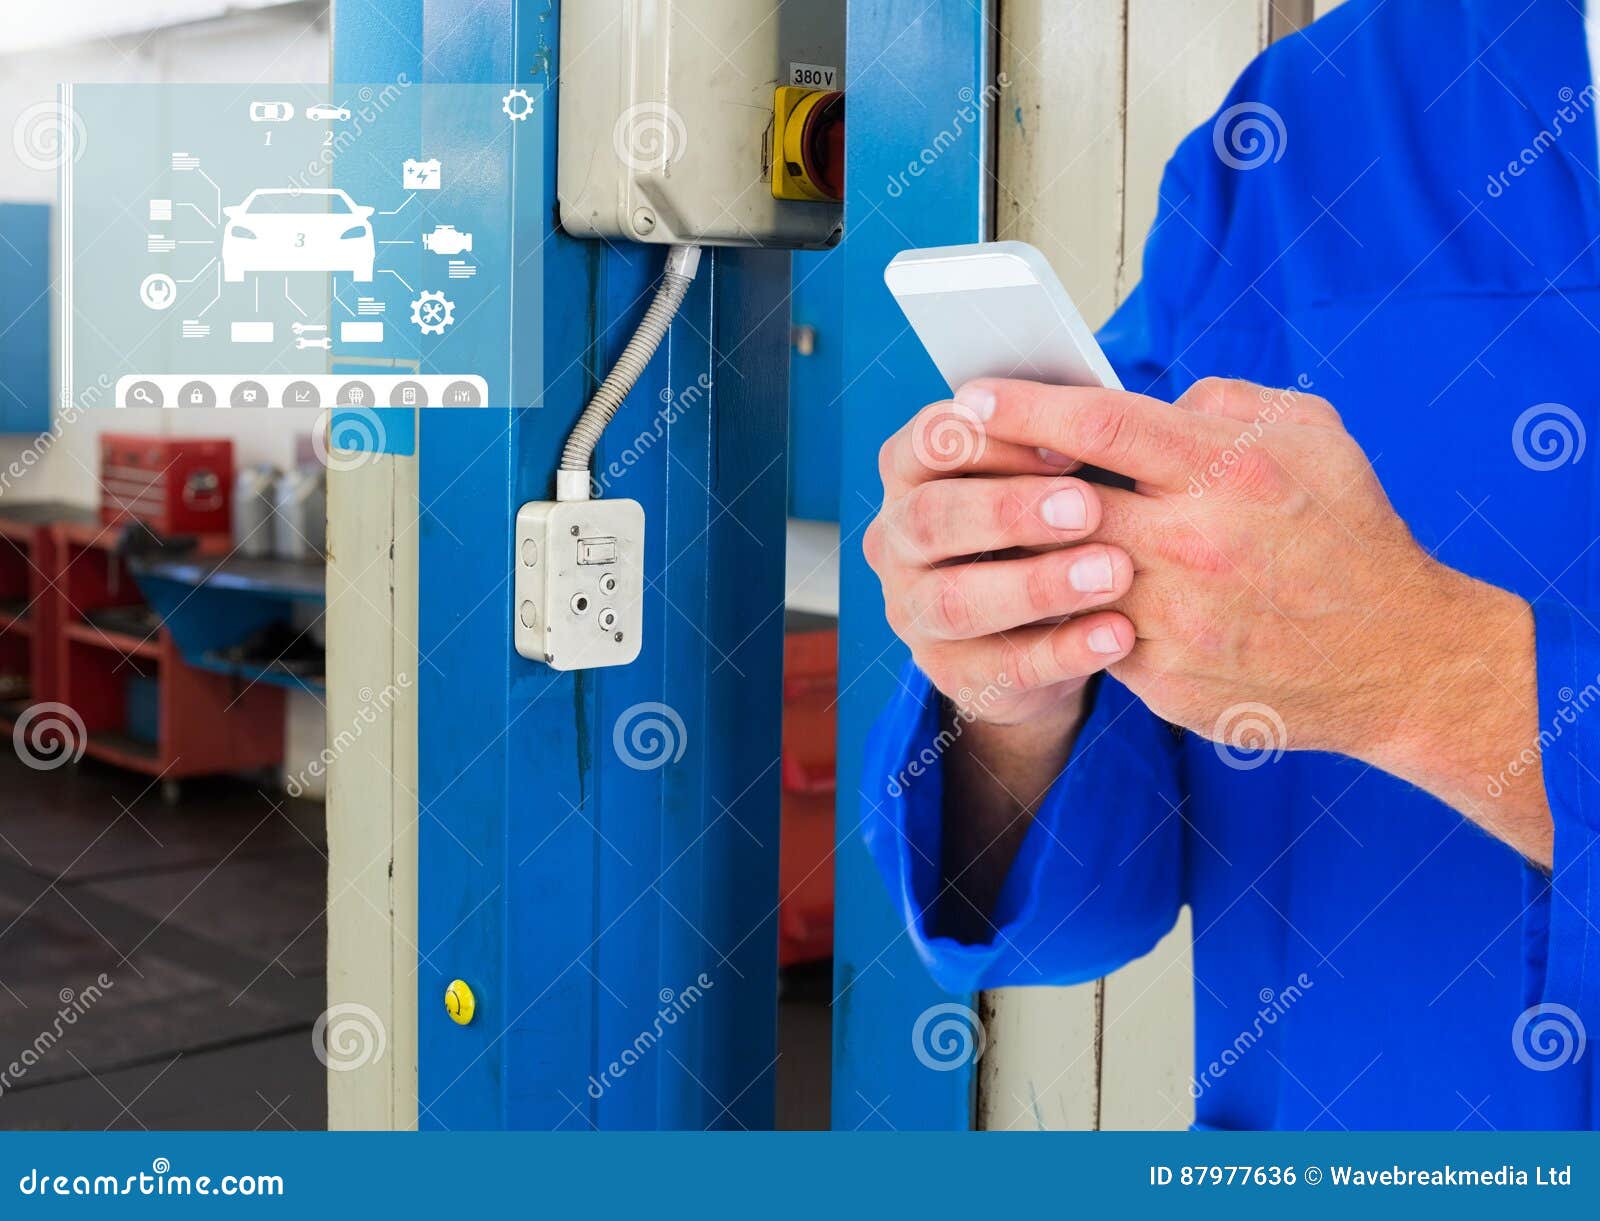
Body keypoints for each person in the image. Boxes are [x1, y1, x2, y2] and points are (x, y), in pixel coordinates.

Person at [862, 0, 1600, 1129]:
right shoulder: (1314, 118)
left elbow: (1411, 670)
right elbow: (1080, 890)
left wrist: (1436, 685)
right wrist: (1019, 688)